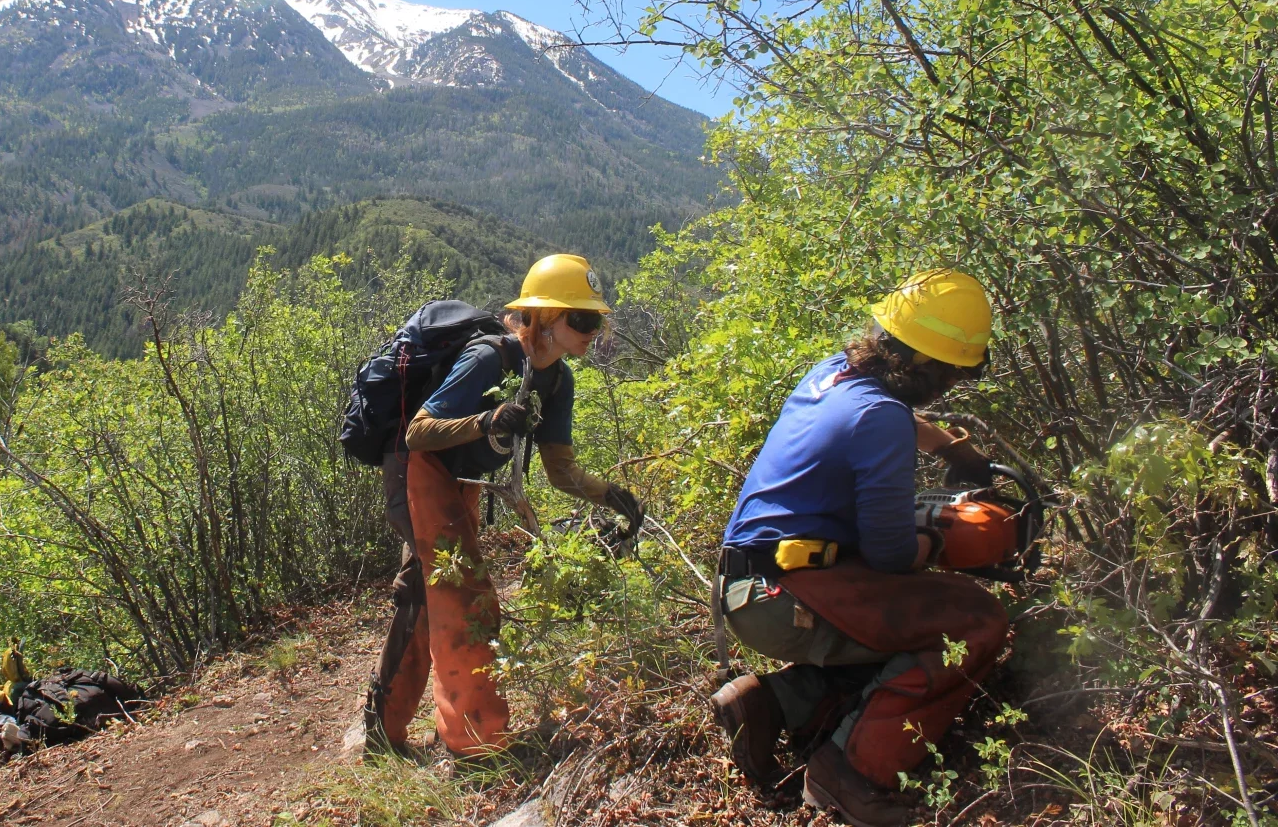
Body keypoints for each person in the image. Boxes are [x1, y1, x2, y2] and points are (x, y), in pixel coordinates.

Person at [710, 270, 1009, 827]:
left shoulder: (833, 373)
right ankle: (851, 775)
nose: (952, 386)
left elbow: (888, 416)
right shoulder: (881, 419)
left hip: (748, 582)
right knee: (974, 619)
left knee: (895, 622)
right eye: (954, 372)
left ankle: (770, 704)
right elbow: (893, 554)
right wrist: (940, 539)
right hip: (784, 596)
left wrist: (951, 447)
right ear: (929, 365)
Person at [362, 254, 646, 758]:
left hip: (463, 476)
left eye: (595, 319)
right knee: (462, 595)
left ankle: (383, 730)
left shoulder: (559, 380)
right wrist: (487, 419)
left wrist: (612, 495)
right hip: (419, 467)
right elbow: (418, 432)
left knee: (424, 594)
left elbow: (561, 470)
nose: (591, 331)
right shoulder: (489, 359)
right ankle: (477, 743)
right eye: (581, 319)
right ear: (544, 318)